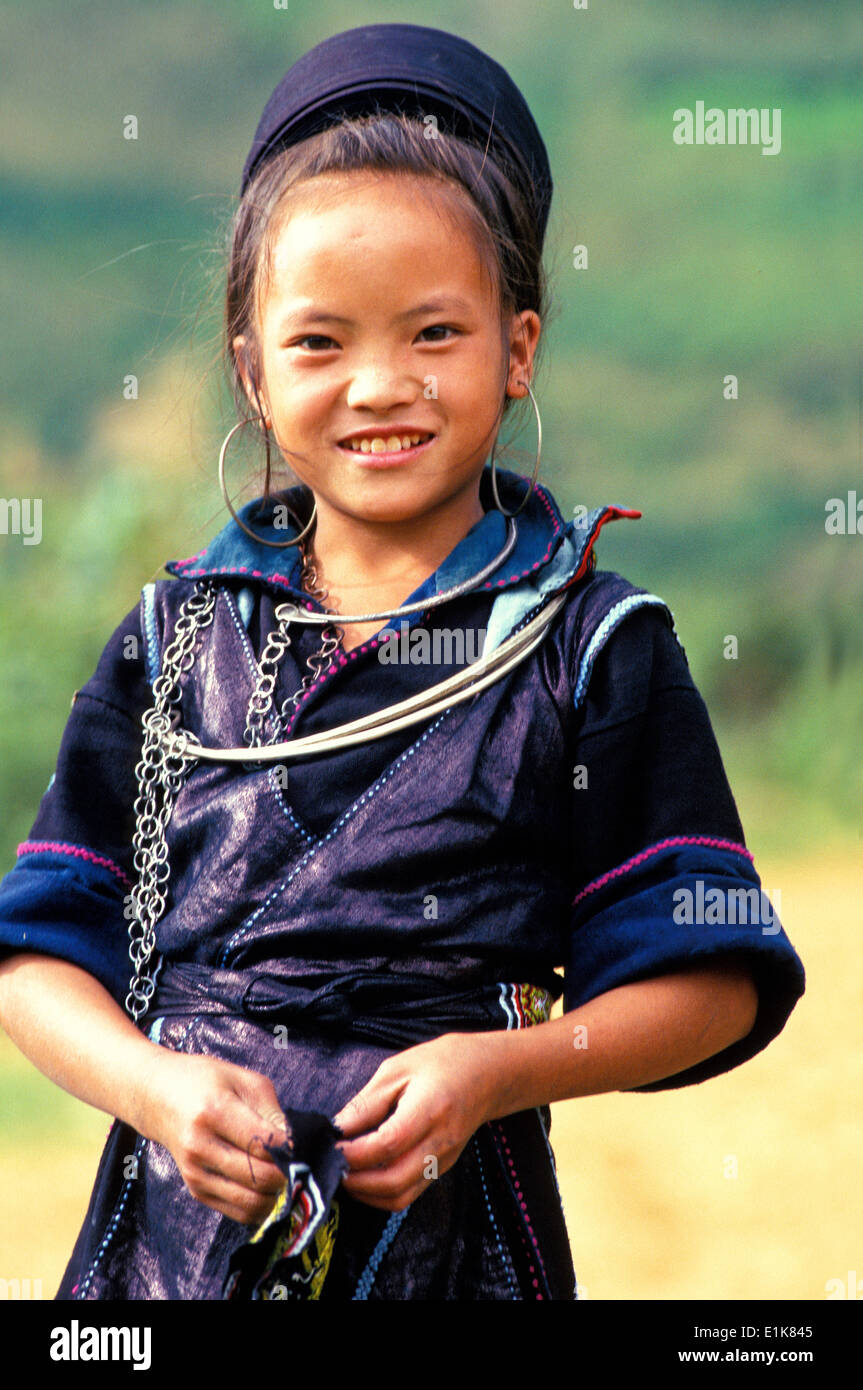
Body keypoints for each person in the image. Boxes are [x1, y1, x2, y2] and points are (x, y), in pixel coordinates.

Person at [0, 23, 804, 1301]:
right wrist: (155, 1088)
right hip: (167, 1260)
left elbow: (710, 975)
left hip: (458, 1252)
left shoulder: (593, 649)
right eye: (321, 343)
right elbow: (40, 954)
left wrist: (494, 1072)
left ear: (517, 347)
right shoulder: (172, 642)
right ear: (252, 370)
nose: (381, 385)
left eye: (433, 333)